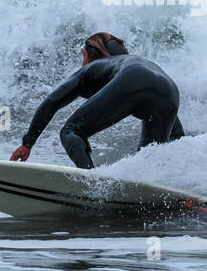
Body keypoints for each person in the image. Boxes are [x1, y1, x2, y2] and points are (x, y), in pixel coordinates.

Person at [10, 32, 185, 169]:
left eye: (83, 56)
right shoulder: (134, 63)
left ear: (89, 54)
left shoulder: (93, 67)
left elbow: (52, 101)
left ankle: (91, 182)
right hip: (170, 89)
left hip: (133, 78)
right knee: (148, 156)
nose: (82, 62)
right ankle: (177, 195)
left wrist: (27, 143)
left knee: (71, 131)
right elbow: (177, 137)